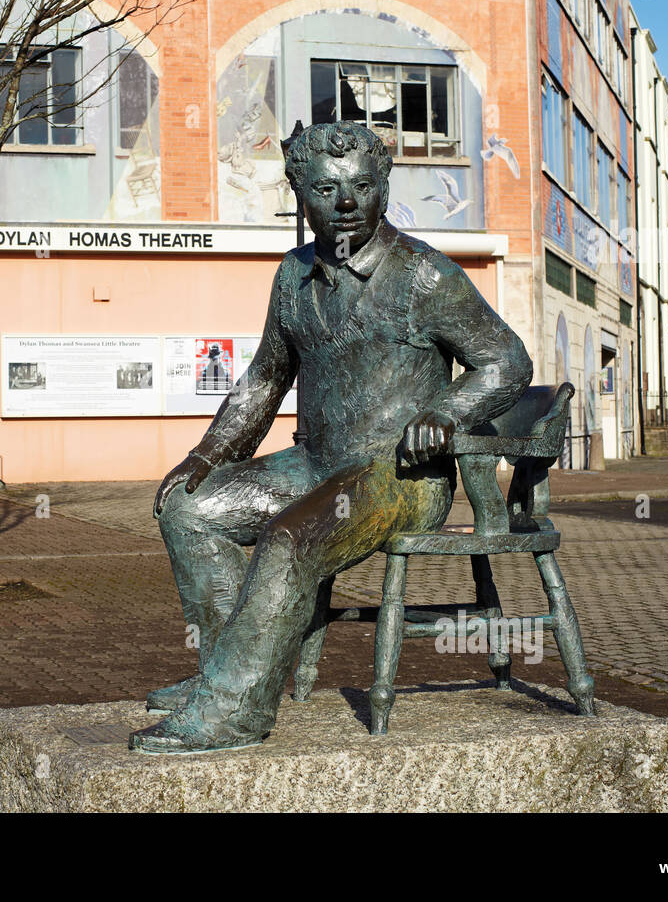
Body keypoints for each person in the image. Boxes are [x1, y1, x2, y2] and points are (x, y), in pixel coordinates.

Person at [131, 122, 533, 754]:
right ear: (298, 191)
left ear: (383, 187)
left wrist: (449, 413)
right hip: (314, 465)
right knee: (186, 508)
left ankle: (233, 710)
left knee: (292, 539)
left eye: (363, 186)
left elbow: (507, 362)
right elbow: (264, 380)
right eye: (326, 188)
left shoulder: (425, 276)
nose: (347, 203)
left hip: (398, 477)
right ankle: (223, 673)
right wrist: (205, 457)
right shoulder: (292, 277)